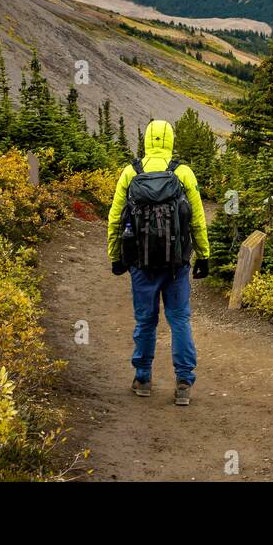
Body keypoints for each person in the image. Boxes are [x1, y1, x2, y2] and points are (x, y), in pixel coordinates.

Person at [107, 119, 210, 406]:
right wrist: (203, 255)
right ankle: (184, 382)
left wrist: (115, 255)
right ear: (170, 141)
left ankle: (142, 378)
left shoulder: (130, 172)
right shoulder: (183, 173)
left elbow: (115, 218)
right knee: (179, 319)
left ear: (147, 140)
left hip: (141, 263)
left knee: (145, 320)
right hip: (177, 263)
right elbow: (198, 219)